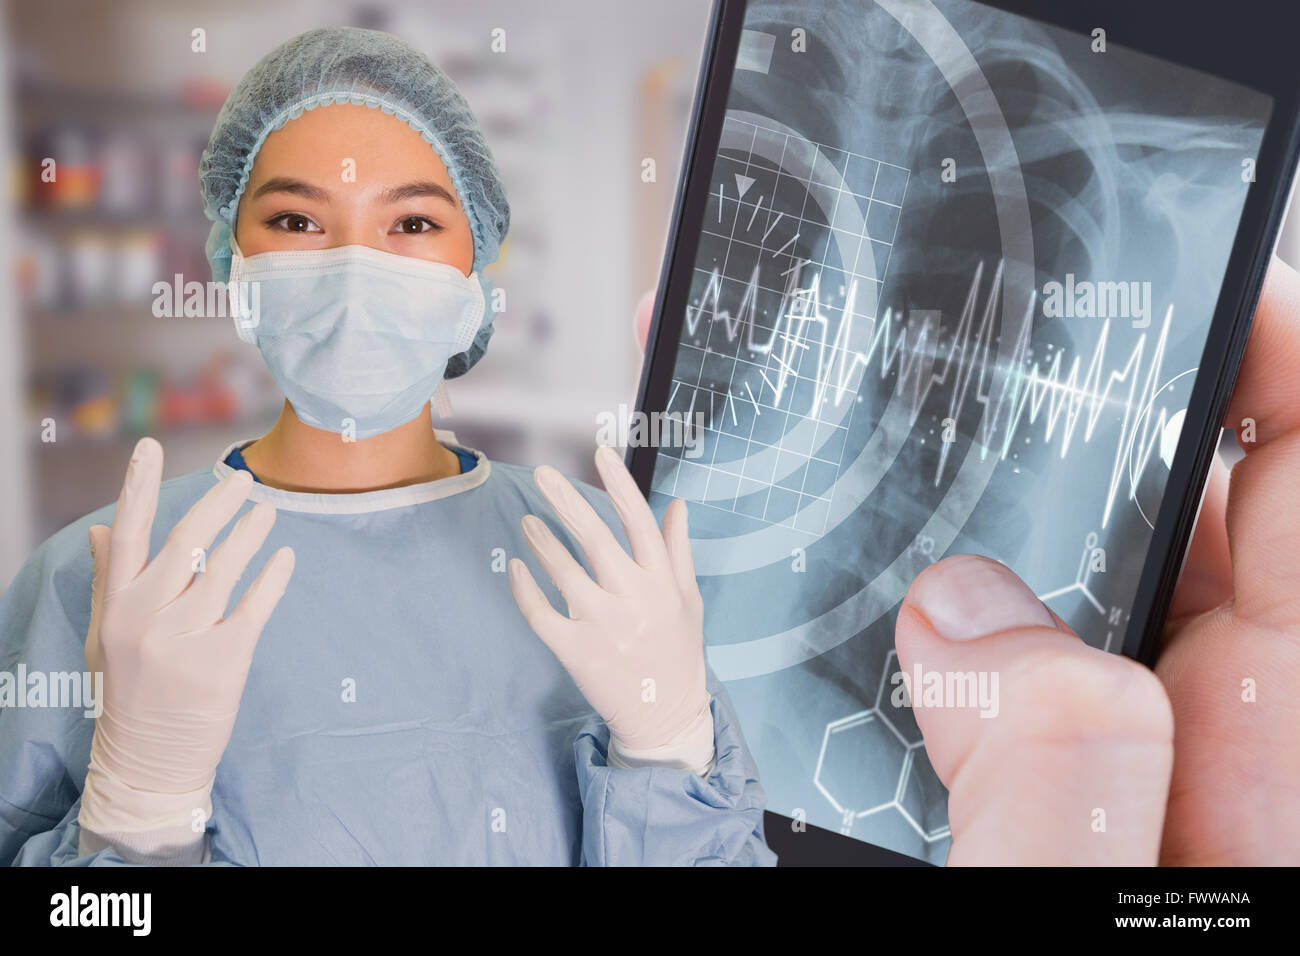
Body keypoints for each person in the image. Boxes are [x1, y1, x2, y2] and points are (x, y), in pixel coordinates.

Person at [0, 26, 775, 867]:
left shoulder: (602, 571)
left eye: (410, 222)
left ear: (475, 271)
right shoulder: (104, 578)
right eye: (297, 219)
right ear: (232, 259)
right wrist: (138, 821)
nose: (355, 269)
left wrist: (666, 755)